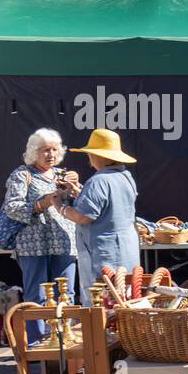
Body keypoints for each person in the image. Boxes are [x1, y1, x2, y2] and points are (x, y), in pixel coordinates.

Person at [1, 129, 79, 344]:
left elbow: (78, 207)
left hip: (63, 242)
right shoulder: (21, 175)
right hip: (32, 245)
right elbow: (12, 208)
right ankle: (37, 343)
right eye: (46, 150)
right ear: (34, 152)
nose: (51, 155)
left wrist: (75, 188)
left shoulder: (61, 175)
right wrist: (40, 204)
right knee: (37, 296)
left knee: (67, 294)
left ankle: (67, 342)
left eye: (55, 150)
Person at [59, 129, 139, 303]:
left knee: (101, 306)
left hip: (104, 256)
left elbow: (83, 217)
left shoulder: (98, 181)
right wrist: (79, 193)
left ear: (97, 156)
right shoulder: (126, 176)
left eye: (90, 154)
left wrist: (60, 207)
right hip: (127, 251)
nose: (89, 158)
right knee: (127, 301)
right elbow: (107, 204)